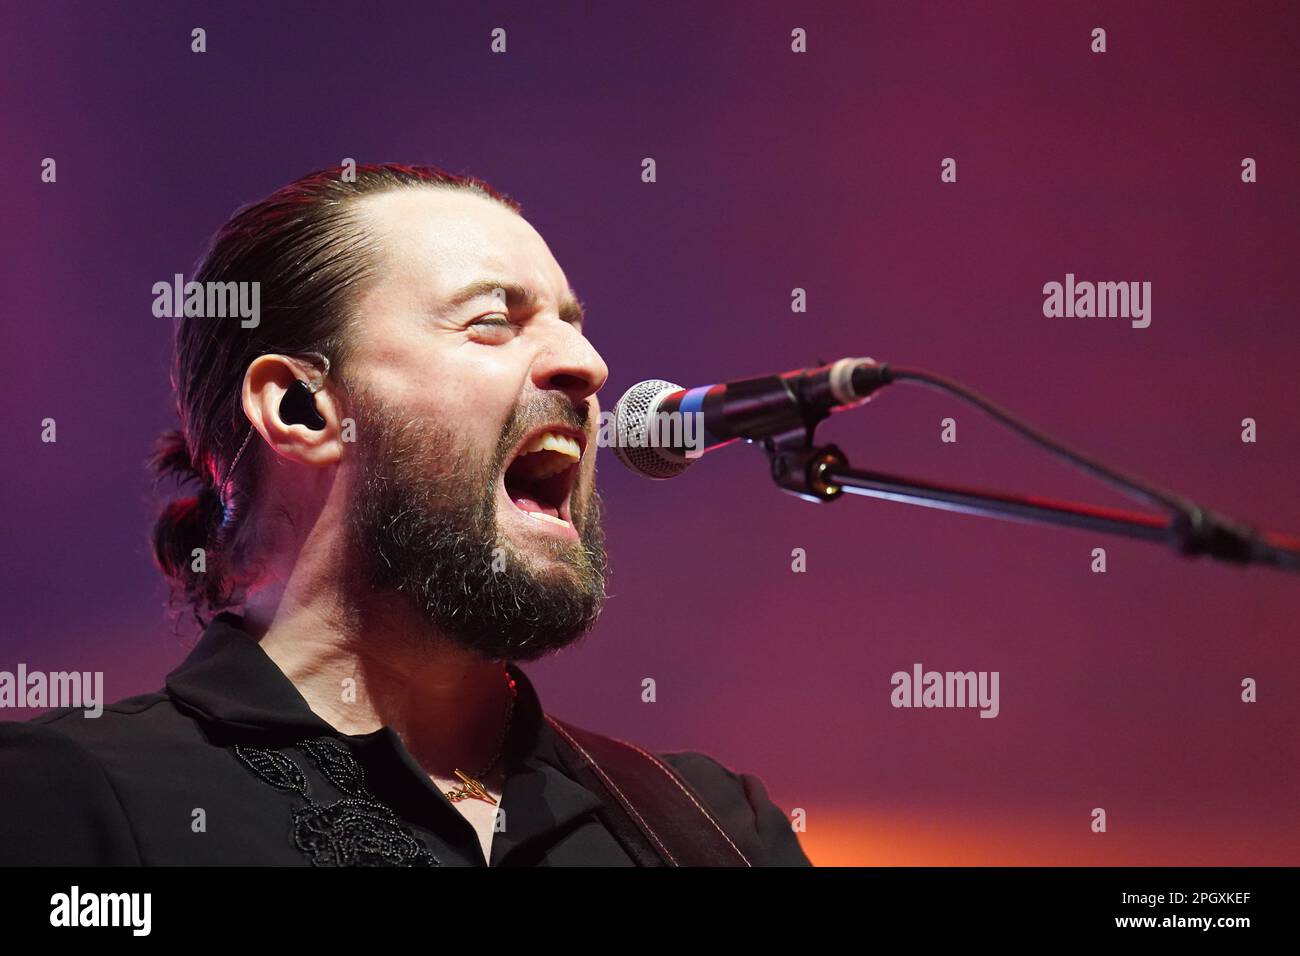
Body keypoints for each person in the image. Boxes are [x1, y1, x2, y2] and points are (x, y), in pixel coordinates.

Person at [0, 164, 812, 867]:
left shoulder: (712, 827)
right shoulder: (70, 799)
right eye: (492, 321)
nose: (588, 366)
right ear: (299, 407)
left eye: (572, 322)